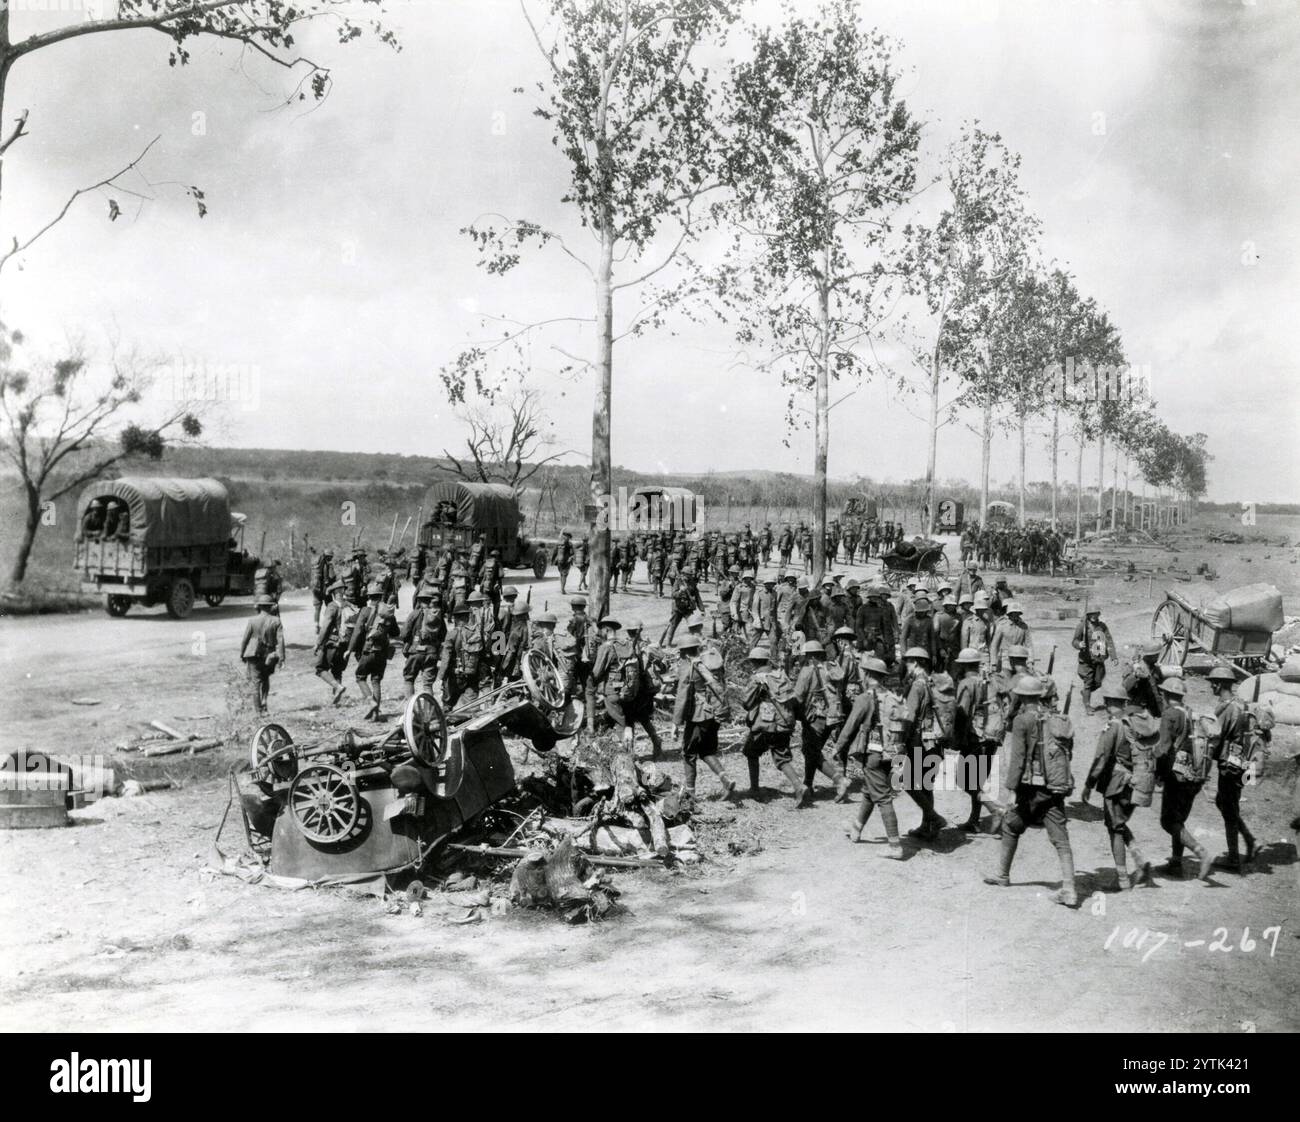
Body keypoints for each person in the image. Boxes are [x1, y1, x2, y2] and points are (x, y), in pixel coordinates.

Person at [983, 675, 1079, 907]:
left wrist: (1011, 790)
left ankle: (1003, 875)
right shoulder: (1053, 717)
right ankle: (1069, 888)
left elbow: (1018, 758)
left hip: (1030, 788)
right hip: (1053, 786)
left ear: (1022, 696)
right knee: (1061, 838)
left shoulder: (1022, 720)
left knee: (1010, 825)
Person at [1080, 684, 1155, 890]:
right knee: (1119, 823)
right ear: (1124, 703)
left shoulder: (1113, 726)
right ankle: (1139, 858)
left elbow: (1101, 758)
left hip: (1117, 784)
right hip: (1136, 782)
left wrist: (1088, 784)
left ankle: (1122, 879)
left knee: (1115, 828)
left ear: (1106, 703)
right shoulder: (1133, 723)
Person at [1151, 678, 1215, 880]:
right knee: (1179, 819)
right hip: (1195, 773)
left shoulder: (1170, 715)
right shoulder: (1189, 712)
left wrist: (1158, 774)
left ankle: (1201, 852)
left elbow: (1163, 748)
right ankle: (1176, 863)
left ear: (1165, 695)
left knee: (1168, 821)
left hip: (1176, 775)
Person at [671, 635, 737, 803]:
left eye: (680, 652)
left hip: (698, 715)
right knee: (707, 751)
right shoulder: (708, 663)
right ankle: (725, 779)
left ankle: (691, 794)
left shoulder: (689, 666)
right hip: (714, 714)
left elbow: (682, 696)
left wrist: (675, 723)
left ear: (685, 652)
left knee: (688, 753)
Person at [1208, 665, 1259, 872]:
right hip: (1246, 764)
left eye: (1213, 683)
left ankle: (1233, 858)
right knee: (1226, 802)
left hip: (1231, 764)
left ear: (1219, 684)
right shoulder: (1241, 704)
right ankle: (1249, 839)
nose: (1211, 686)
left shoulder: (1226, 708)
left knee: (1228, 806)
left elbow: (1215, 737)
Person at [791, 639, 850, 804]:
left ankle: (839, 780)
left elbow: (798, 696)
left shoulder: (807, 670)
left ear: (809, 656)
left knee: (811, 751)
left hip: (815, 717)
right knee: (813, 751)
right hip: (833, 715)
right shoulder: (830, 667)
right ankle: (808, 785)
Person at [240, 595, 285, 715]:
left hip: (253, 654)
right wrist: (282, 658)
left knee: (256, 682)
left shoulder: (252, 620)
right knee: (265, 679)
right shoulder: (276, 620)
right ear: (271, 607)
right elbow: (280, 640)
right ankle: (264, 702)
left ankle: (258, 711)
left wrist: (242, 654)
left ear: (259, 606)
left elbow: (245, 639)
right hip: (269, 655)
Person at [353, 603, 396, 720]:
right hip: (382, 653)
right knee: (376, 681)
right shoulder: (389, 614)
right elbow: (396, 633)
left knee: (360, 677)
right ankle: (375, 714)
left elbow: (358, 632)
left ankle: (371, 702)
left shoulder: (366, 611)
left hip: (368, 651)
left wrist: (351, 649)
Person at [313, 579, 353, 704]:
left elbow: (325, 626)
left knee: (320, 668)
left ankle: (338, 687)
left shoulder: (332, 606)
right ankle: (337, 698)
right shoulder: (349, 605)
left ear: (334, 592)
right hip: (345, 644)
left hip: (332, 643)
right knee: (337, 670)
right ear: (343, 591)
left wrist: (318, 643)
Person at [1072, 606, 1116, 710]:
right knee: (1088, 681)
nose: (1094, 616)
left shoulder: (1102, 626)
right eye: (1091, 614)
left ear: (1098, 614)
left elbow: (1109, 641)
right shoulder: (1081, 626)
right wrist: (1079, 644)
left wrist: (1113, 657)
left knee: (1098, 682)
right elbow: (1074, 641)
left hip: (1099, 659)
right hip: (1086, 660)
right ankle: (1087, 705)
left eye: (1096, 614)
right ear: (1088, 615)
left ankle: (1085, 693)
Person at [1122, 642, 1165, 717]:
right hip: (1135, 707)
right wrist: (1135, 675)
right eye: (1156, 655)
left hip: (1152, 707)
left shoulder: (1156, 670)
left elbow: (1160, 690)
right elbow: (1125, 687)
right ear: (1150, 656)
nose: (1158, 657)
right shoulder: (1134, 667)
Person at [988, 600, 1031, 670]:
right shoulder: (1002, 626)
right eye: (1013, 613)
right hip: (1005, 660)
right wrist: (993, 663)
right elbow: (994, 646)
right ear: (1009, 614)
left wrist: (1030, 661)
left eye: (1017, 613)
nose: (1015, 615)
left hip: (1020, 658)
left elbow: (1029, 645)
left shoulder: (1024, 627)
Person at [311, 549, 335, 628]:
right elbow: (329, 578)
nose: (331, 559)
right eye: (331, 557)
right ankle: (329, 624)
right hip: (324, 589)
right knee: (330, 605)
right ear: (328, 557)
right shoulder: (326, 565)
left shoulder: (316, 566)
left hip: (315, 588)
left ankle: (316, 625)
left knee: (317, 608)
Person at [556, 531, 574, 595]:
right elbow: (572, 553)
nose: (567, 538)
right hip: (566, 562)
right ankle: (562, 589)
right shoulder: (569, 544)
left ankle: (562, 588)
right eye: (567, 536)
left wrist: (555, 560)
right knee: (564, 575)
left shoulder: (559, 543)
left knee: (562, 575)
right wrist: (571, 558)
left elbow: (555, 552)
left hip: (560, 561)